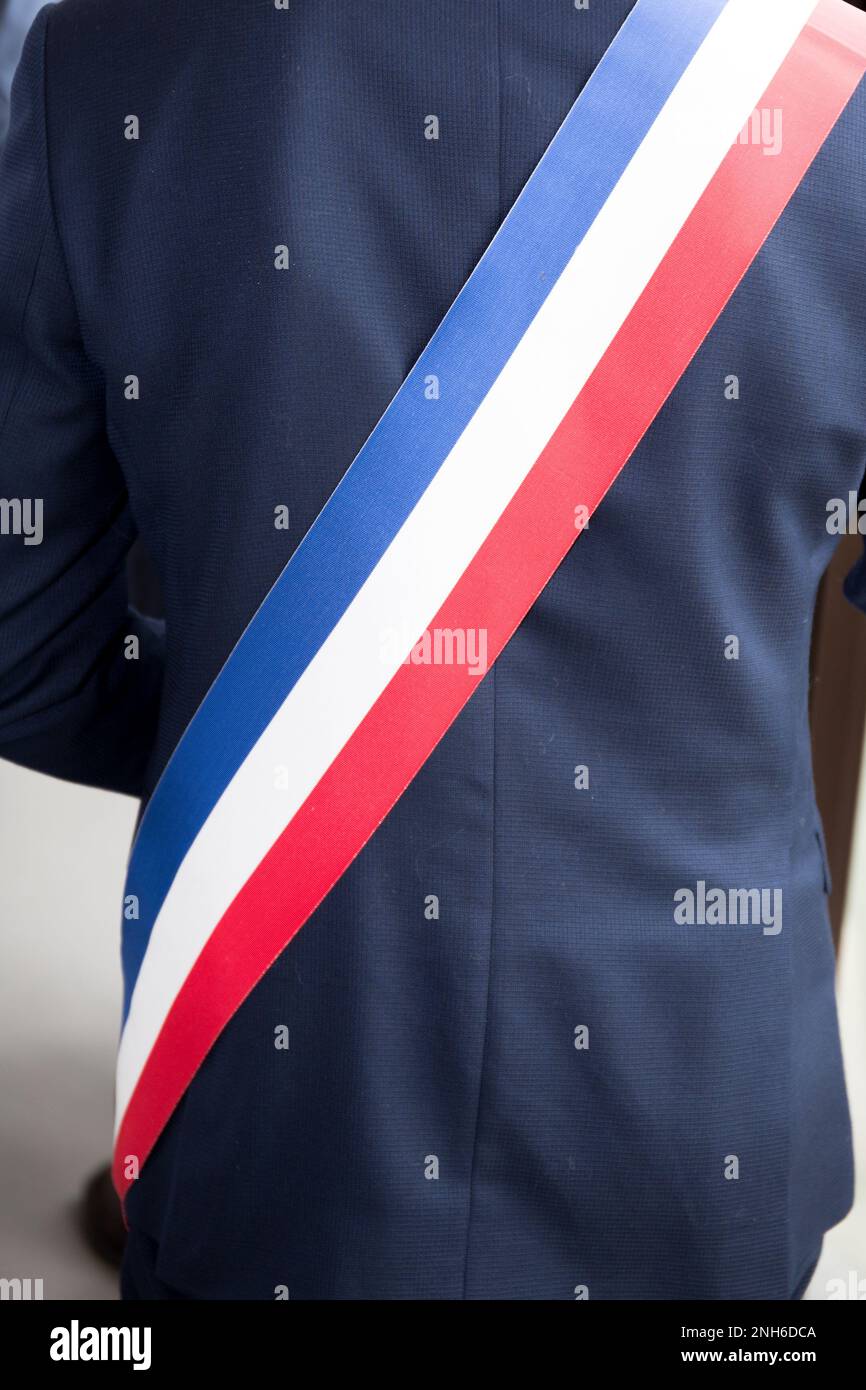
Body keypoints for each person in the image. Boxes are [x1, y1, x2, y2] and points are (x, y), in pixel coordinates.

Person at [1, 0, 865, 1301]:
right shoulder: (832, 94)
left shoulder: (107, 57)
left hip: (277, 1116)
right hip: (701, 1123)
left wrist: (285, 746)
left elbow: (27, 650)